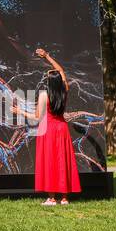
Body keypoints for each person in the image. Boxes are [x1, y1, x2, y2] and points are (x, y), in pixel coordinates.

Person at [34, 70, 81, 205]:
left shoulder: (44, 95)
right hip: (62, 129)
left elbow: (37, 117)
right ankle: (64, 198)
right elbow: (61, 72)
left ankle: (52, 198)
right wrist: (47, 57)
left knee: (50, 161)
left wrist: (19, 111)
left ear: (49, 81)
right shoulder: (64, 92)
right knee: (62, 160)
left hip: (48, 130)